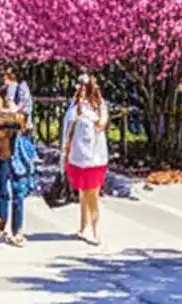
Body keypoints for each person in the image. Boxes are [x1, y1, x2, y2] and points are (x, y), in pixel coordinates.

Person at [64, 74, 108, 246]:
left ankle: (96, 229)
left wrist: (88, 113)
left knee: (93, 193)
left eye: (83, 88)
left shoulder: (99, 106)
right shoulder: (74, 107)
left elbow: (102, 124)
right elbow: (68, 129)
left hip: (95, 157)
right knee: (83, 192)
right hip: (77, 156)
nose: (80, 91)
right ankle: (83, 226)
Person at [0, 88, 30, 246]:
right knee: (2, 191)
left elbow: (25, 125)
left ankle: (17, 231)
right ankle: (3, 219)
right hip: (1, 154)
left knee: (18, 193)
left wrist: (14, 116)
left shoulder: (23, 107)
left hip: (18, 155)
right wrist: (9, 117)